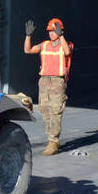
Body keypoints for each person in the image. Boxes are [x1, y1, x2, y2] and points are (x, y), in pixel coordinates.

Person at [24, 17, 73, 155]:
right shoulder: (44, 45)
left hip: (57, 82)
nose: (51, 33)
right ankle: (51, 139)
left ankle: (53, 141)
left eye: (54, 31)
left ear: (60, 31)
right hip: (44, 81)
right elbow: (28, 50)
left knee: (55, 111)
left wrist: (61, 35)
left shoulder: (65, 44)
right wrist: (28, 36)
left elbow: (67, 52)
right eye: (50, 31)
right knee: (44, 110)